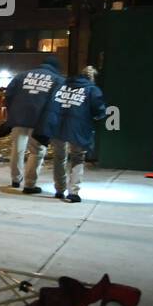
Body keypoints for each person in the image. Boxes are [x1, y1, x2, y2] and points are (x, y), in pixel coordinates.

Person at [45, 66, 107, 203]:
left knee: (59, 157)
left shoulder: (61, 85)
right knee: (78, 157)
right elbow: (99, 110)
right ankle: (73, 192)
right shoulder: (92, 89)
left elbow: (50, 103)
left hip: (57, 126)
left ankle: (59, 190)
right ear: (93, 78)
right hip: (78, 127)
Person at [4, 55, 64, 193]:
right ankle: (29, 184)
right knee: (36, 151)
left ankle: (15, 179)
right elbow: (58, 103)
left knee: (17, 149)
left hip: (19, 118)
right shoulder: (58, 80)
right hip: (39, 121)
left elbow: (8, 95)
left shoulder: (21, 76)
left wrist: (13, 112)